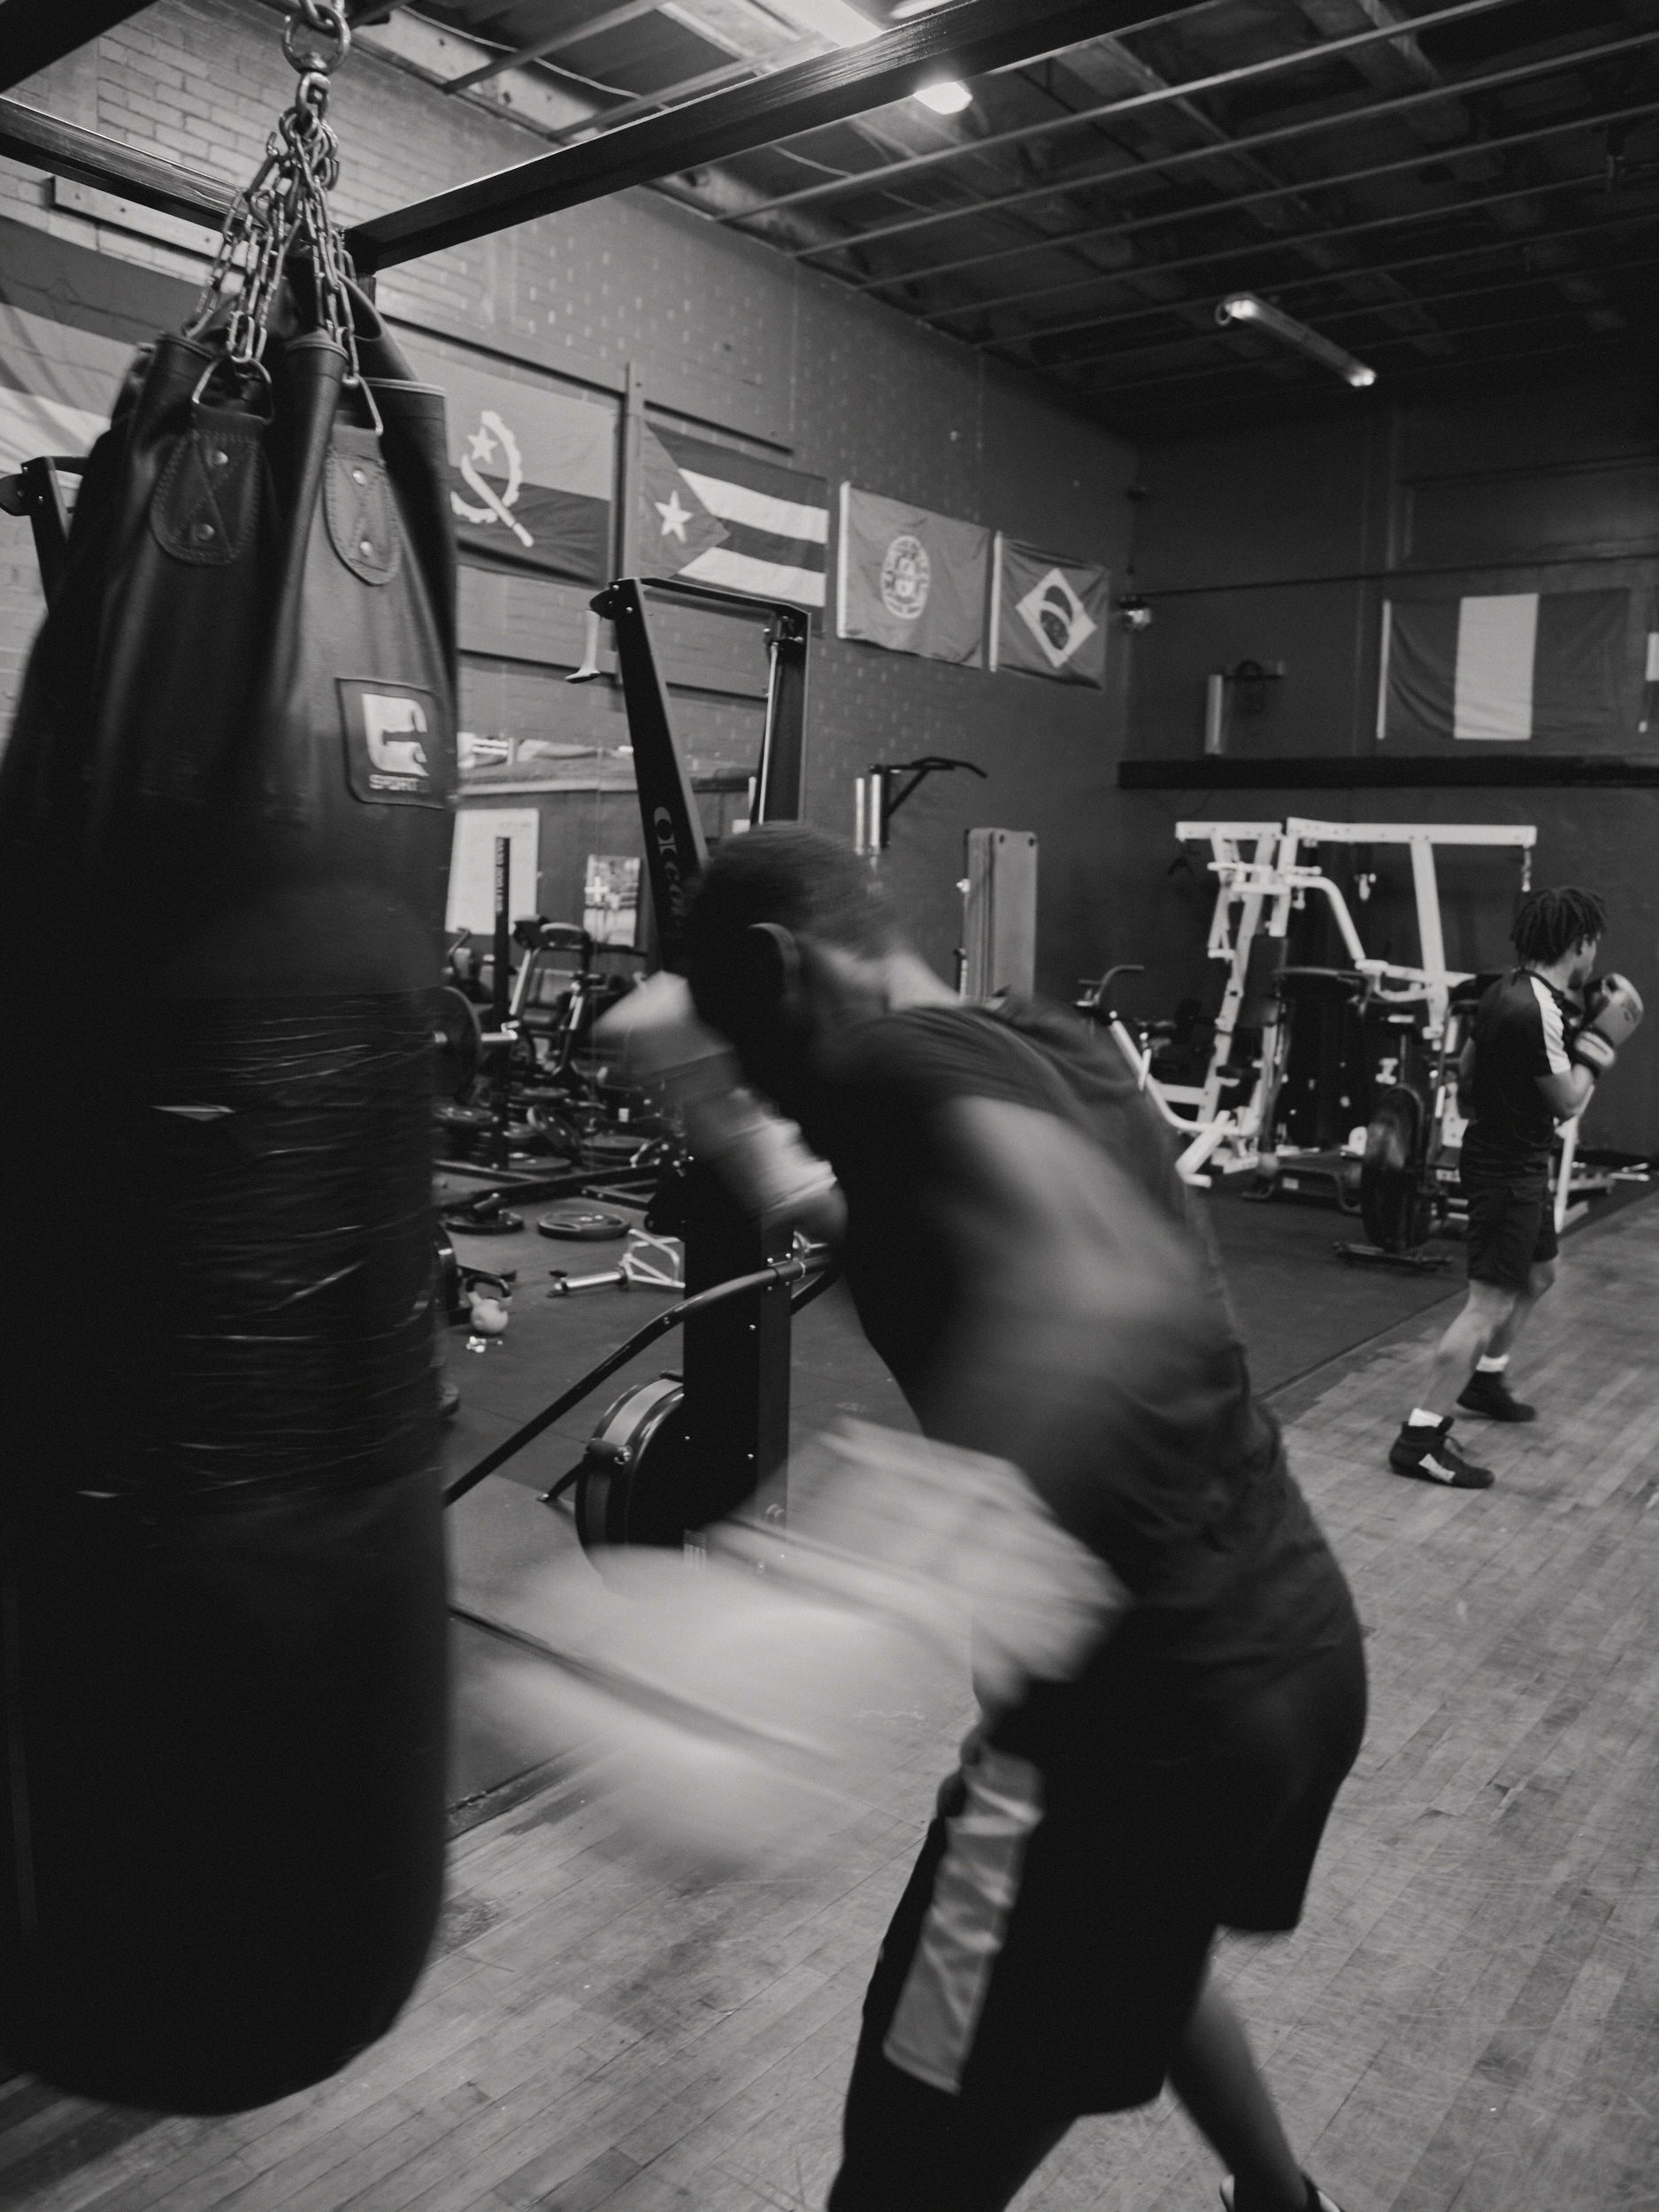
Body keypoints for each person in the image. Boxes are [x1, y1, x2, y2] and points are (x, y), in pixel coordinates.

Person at [678, 824, 1366, 2212]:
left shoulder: (881, 1070)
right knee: (1134, 1956)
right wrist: (713, 1096)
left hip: (1116, 1737)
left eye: (761, 1063)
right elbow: (874, 1202)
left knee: (900, 2168)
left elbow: (1092, 1285)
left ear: (782, 966)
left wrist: (849, 1596)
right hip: (1289, 1653)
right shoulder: (1049, 1043)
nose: (785, 1104)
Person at [1387, 887, 1642, 1490]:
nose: (1593, 955)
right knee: (1487, 1304)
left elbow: (1468, 1073)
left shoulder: (1503, 990)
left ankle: (1484, 1379)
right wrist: (1601, 1044)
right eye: (1592, 944)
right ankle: (1419, 1438)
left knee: (1537, 1274)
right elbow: (1567, 1103)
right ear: (1578, 944)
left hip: (1509, 1157)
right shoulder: (1539, 1012)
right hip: (1508, 1169)